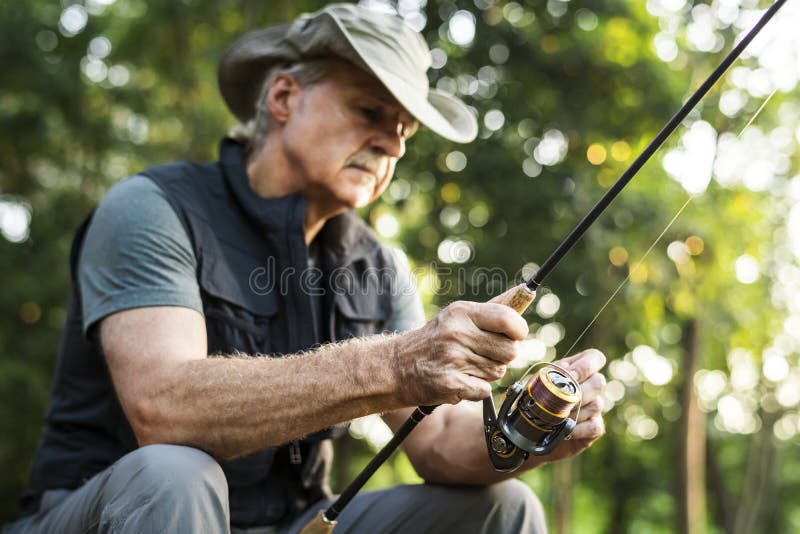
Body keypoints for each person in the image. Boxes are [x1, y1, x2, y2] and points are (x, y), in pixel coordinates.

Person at [6, 4, 607, 533]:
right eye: (371, 111)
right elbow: (164, 409)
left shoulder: (379, 266)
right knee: (175, 474)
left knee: (506, 506)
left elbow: (443, 446)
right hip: (112, 513)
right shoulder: (153, 208)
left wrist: (534, 431)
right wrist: (399, 362)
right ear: (284, 98)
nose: (393, 145)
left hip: (298, 522)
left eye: (404, 130)